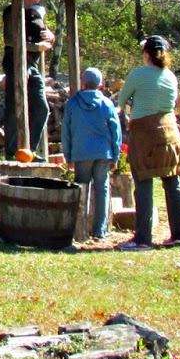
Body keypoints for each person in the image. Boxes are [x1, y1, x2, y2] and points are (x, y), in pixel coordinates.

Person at [115, 35, 180, 251]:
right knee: (172, 182)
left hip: (145, 133)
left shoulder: (137, 75)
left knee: (143, 184)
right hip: (169, 132)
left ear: (146, 54)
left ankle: (143, 238)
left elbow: (122, 101)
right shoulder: (171, 77)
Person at [62, 67, 122, 241]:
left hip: (81, 153)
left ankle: (79, 231)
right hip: (103, 152)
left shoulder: (73, 102)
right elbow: (115, 132)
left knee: (82, 189)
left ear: (82, 82)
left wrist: (68, 155)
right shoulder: (107, 103)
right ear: (101, 85)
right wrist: (115, 155)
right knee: (102, 189)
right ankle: (99, 231)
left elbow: (66, 131)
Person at [2, 0, 54, 159]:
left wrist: (51, 37)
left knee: (41, 108)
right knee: (14, 105)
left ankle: (28, 151)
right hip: (14, 60)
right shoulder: (11, 11)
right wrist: (35, 48)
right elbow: (10, 40)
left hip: (31, 63)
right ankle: (11, 152)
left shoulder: (34, 13)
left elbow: (45, 36)